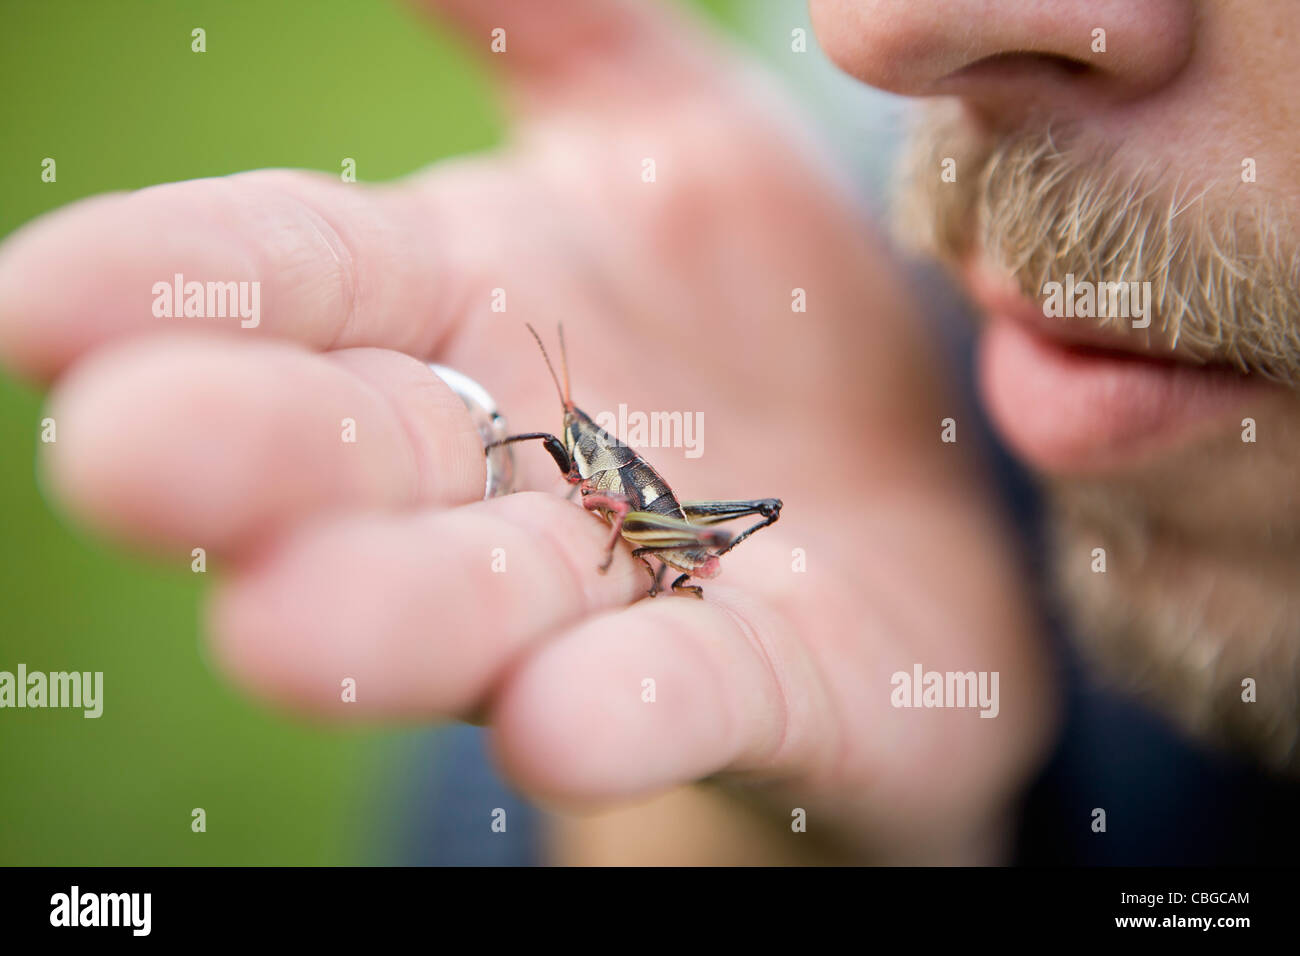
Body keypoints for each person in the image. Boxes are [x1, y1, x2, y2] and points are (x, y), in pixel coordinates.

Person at [0, 0, 1294, 864]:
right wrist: (746, 831)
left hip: (679, 529)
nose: (883, 25)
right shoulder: (977, 300)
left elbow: (624, 515)